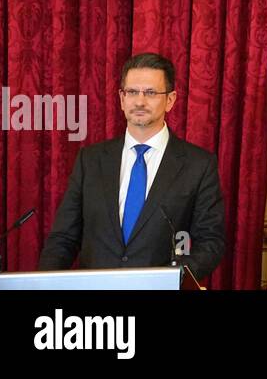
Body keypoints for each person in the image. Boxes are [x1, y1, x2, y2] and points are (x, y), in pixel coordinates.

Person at [39, 52, 226, 281]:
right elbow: (63, 239)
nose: (139, 101)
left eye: (150, 93)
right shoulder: (90, 160)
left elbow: (210, 242)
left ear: (170, 100)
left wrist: (168, 281)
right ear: (121, 98)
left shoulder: (199, 165)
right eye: (132, 92)